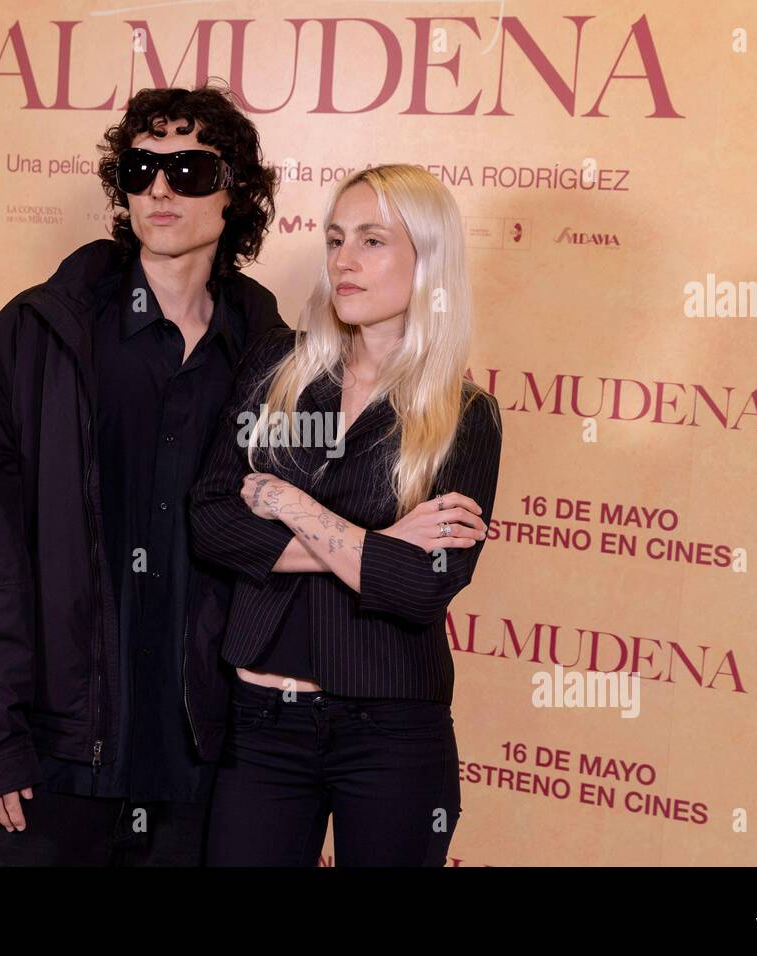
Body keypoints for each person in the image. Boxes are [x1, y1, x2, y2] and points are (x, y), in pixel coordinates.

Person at [0, 84, 285, 865]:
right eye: (140, 168)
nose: (159, 188)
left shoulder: (270, 355)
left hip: (199, 770)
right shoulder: (41, 333)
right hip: (46, 765)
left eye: (189, 170)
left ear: (238, 192)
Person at [190, 163, 503, 866]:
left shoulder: (465, 416)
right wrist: (377, 544)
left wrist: (287, 502)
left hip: (391, 730)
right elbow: (211, 522)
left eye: (372, 241)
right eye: (335, 240)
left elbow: (420, 586)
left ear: (428, 260)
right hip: (260, 725)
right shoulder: (280, 369)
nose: (343, 261)